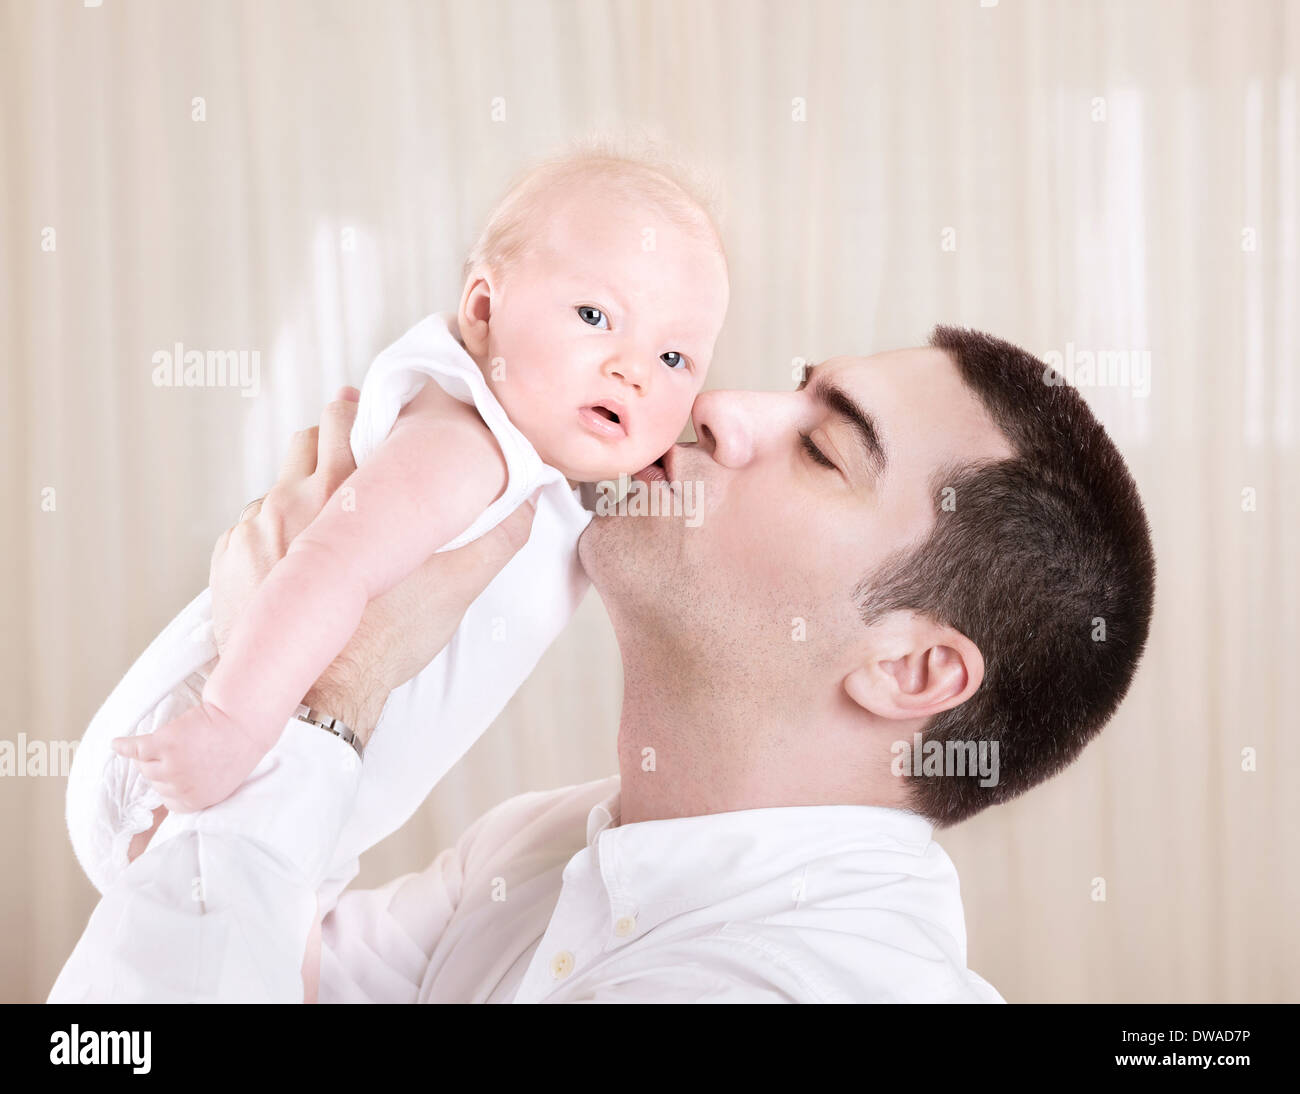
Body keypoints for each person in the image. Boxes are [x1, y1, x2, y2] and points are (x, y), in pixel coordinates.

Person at [50, 325, 1154, 1003]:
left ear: (911, 669)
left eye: (821, 446)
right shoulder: (549, 849)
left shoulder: (800, 989)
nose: (719, 408)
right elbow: (240, 949)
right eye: (793, 384)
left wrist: (318, 703)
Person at [66, 146, 727, 897]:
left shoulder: (543, 471)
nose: (633, 370)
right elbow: (326, 564)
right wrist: (229, 726)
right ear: (483, 308)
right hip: (217, 759)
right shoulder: (466, 445)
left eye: (674, 357)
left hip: (305, 806)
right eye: (594, 316)